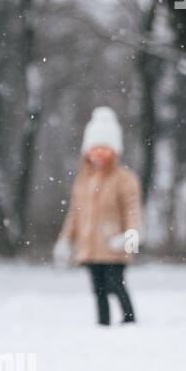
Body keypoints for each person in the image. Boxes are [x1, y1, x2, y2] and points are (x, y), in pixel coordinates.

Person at [53, 107, 143, 326]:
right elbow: (74, 214)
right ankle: (102, 325)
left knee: (116, 284)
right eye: (95, 149)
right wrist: (65, 240)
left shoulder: (124, 179)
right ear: (88, 151)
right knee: (98, 289)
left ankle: (129, 321)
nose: (99, 154)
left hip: (114, 246)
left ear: (114, 151)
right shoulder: (83, 180)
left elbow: (133, 212)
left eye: (105, 149)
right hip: (90, 247)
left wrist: (130, 239)